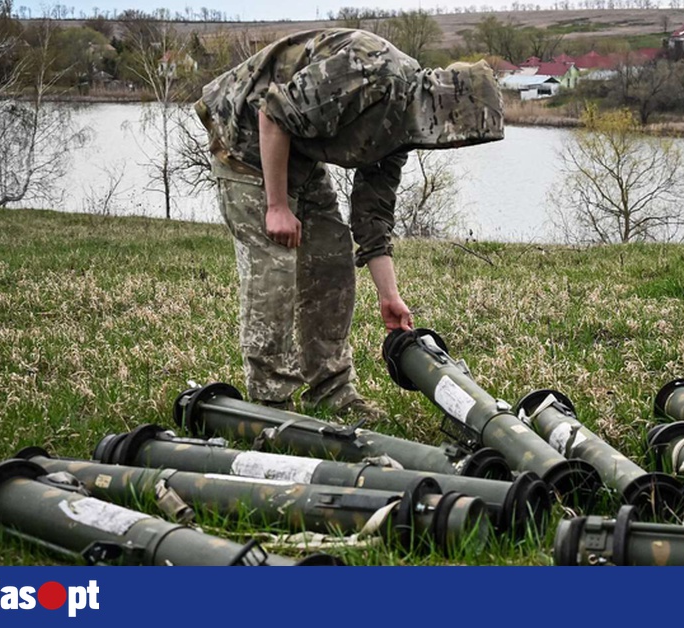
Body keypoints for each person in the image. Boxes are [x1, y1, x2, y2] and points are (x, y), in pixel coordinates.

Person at [195, 28, 504, 420]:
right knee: (275, 266)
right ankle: (271, 405)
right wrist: (276, 206)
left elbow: (372, 217)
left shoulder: (406, 125)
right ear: (445, 107)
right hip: (244, 140)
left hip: (298, 156)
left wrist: (388, 296)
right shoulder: (374, 71)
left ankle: (331, 392)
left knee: (332, 260)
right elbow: (273, 113)